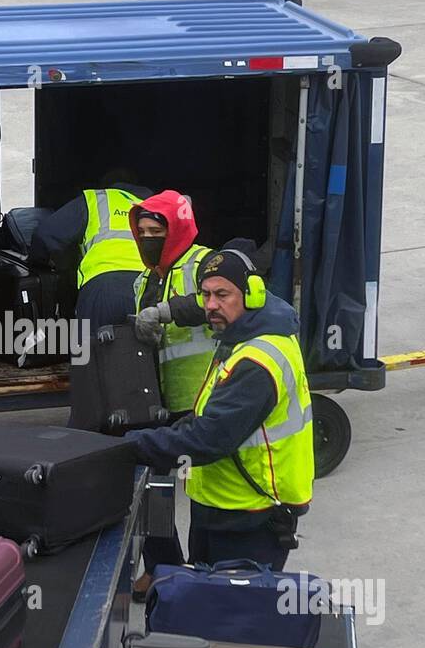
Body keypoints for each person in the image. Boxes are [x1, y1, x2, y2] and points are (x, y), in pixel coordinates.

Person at [126, 244, 314, 575]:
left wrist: (133, 445)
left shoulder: (258, 360)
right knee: (208, 605)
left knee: (232, 618)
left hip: (247, 516)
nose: (211, 305)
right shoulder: (240, 335)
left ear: (252, 294)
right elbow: (208, 417)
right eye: (206, 295)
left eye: (222, 294)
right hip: (220, 505)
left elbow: (209, 439)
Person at [124, 189, 217, 599]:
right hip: (159, 401)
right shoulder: (145, 279)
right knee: (153, 491)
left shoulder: (204, 262)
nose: (147, 238)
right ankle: (164, 566)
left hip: (205, 397)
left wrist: (165, 312)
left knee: (204, 490)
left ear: (175, 228)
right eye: (141, 231)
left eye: (155, 230)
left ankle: (204, 571)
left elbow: (217, 301)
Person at [28, 175, 155, 332]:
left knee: (92, 353)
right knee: (147, 354)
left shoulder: (96, 198)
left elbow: (45, 235)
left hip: (103, 289)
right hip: (149, 288)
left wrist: (36, 263)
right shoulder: (155, 208)